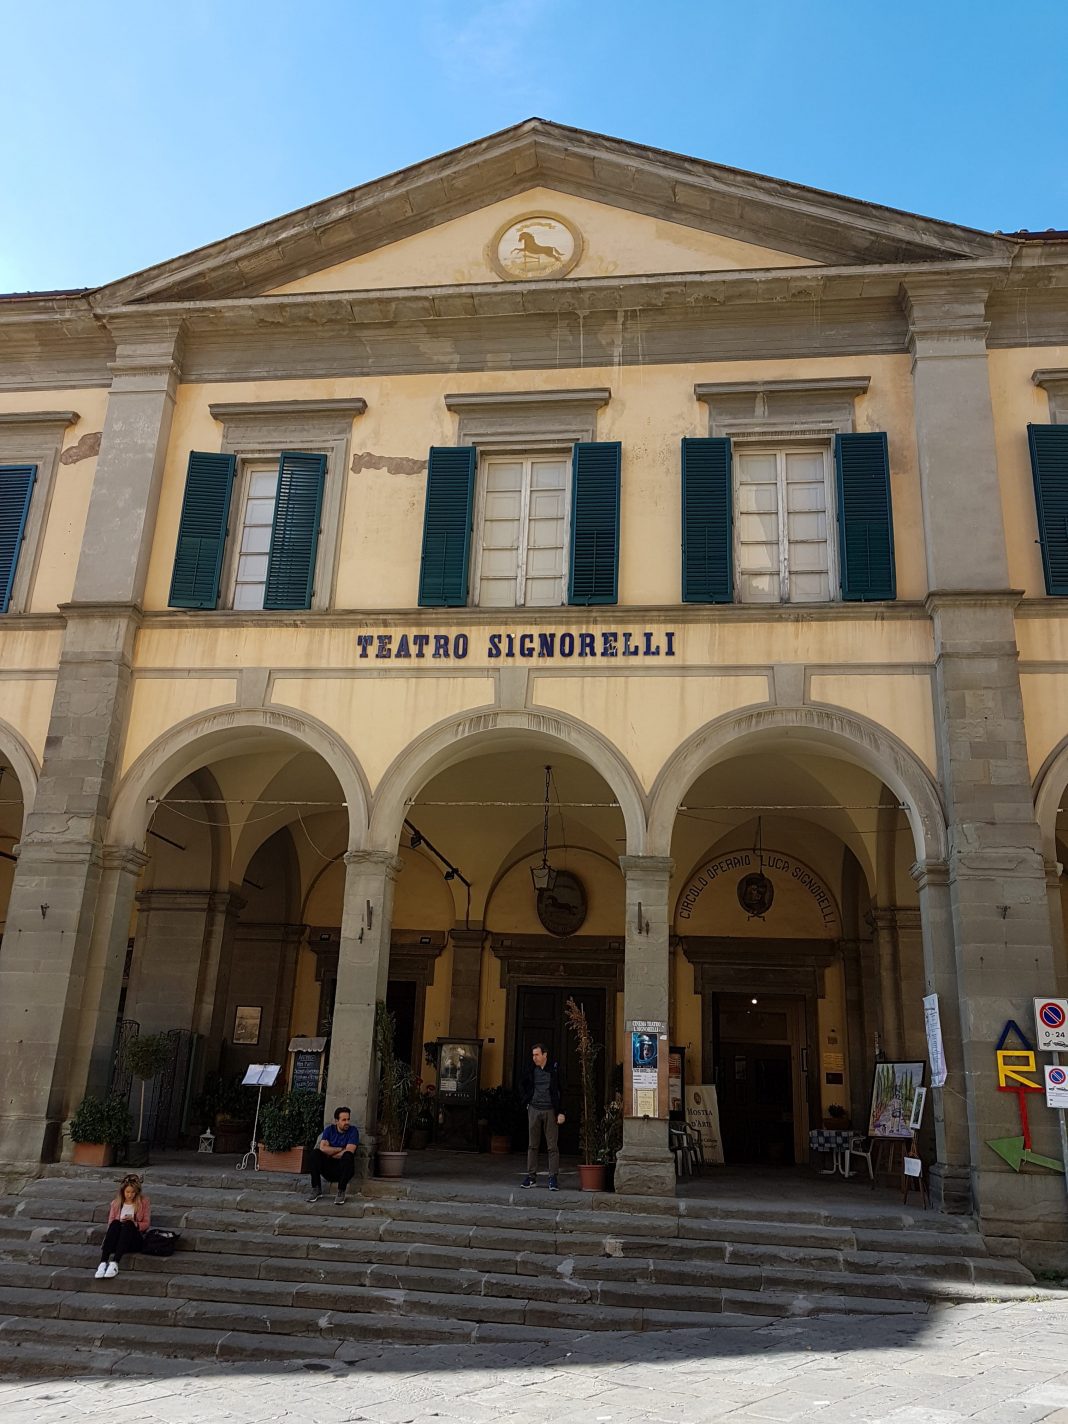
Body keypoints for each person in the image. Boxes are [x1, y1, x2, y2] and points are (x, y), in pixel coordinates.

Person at [518, 1043, 565, 1190]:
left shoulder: (555, 1070)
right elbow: (522, 1084)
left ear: (545, 1054)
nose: (534, 1058)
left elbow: (562, 1090)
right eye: (533, 1055)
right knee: (532, 1145)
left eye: (537, 1055)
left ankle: (553, 1178)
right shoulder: (531, 1069)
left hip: (550, 1110)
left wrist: (561, 1112)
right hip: (534, 1109)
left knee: (552, 1146)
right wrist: (526, 1101)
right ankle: (531, 1176)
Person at [94, 1173, 150, 1278]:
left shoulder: (144, 1202)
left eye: (133, 1192)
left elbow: (146, 1224)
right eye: (127, 1192)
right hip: (119, 1238)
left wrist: (135, 1223)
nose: (130, 1195)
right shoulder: (115, 1203)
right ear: (123, 1192)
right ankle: (103, 1262)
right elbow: (110, 1224)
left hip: (134, 1238)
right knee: (115, 1223)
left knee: (128, 1224)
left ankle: (115, 1262)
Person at [308, 1105, 360, 1205]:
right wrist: (340, 1149)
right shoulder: (329, 1130)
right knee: (315, 1154)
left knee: (348, 1155)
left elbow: (349, 1150)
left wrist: (330, 1152)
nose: (347, 1122)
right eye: (344, 1120)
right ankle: (316, 1188)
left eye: (348, 1119)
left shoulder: (353, 1131)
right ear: (336, 1121)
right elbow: (322, 1148)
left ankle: (341, 1191)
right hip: (329, 1168)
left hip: (344, 1169)